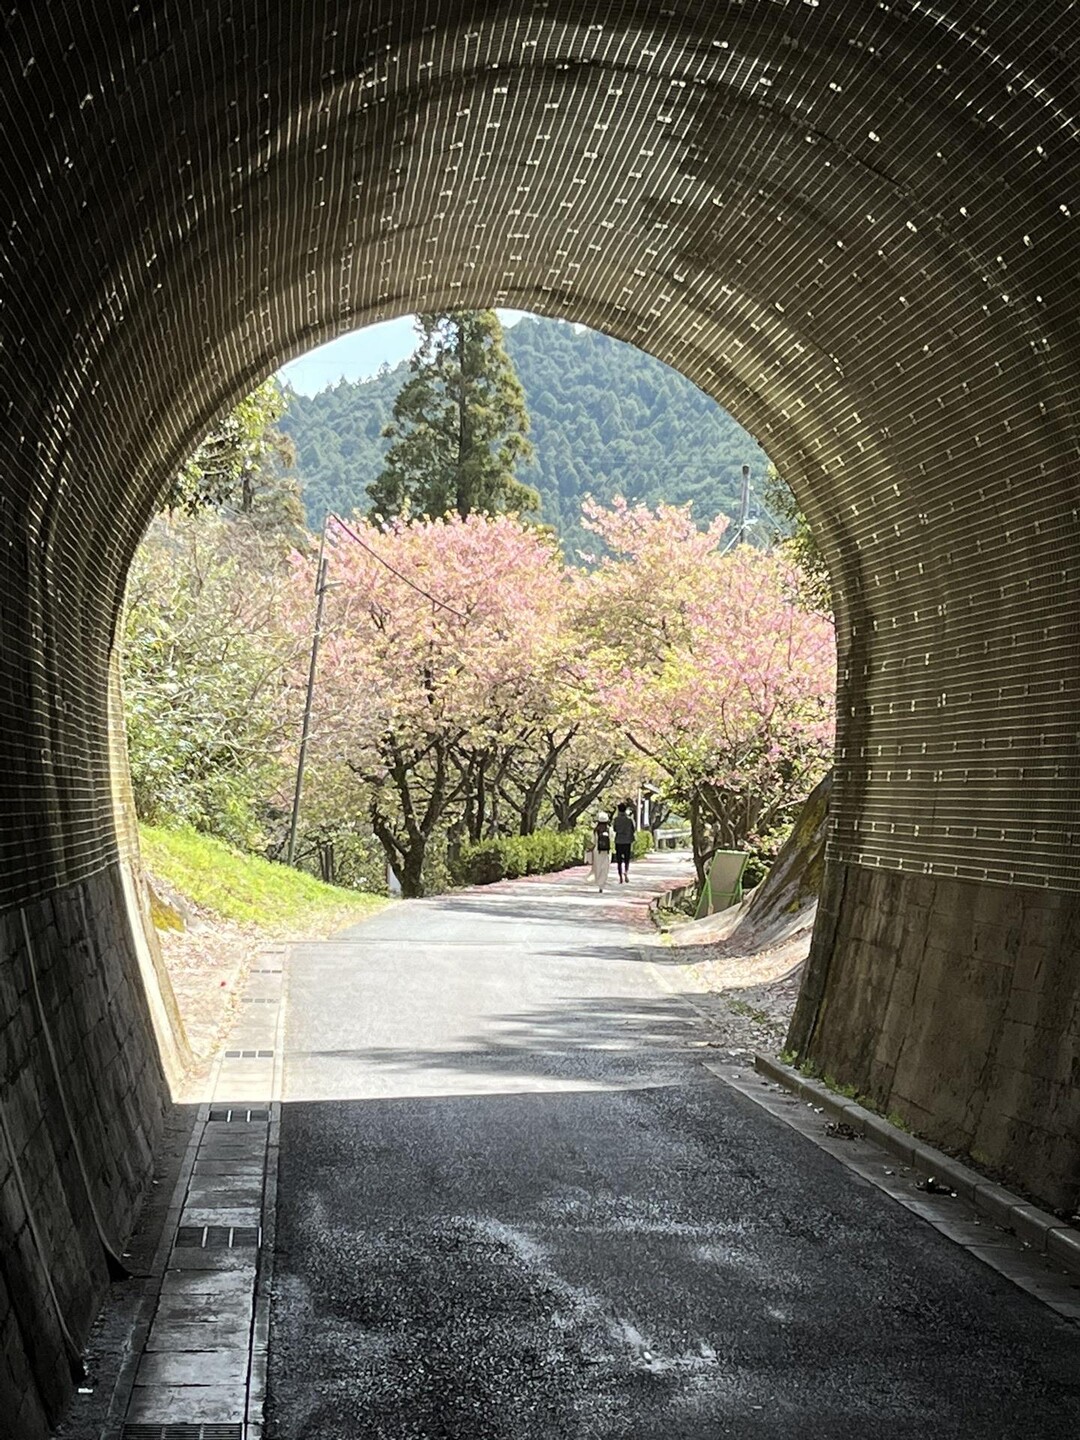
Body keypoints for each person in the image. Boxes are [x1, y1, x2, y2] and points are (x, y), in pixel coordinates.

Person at [613, 801, 636, 883]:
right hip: (627, 841)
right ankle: (626, 871)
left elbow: (614, 829)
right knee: (627, 858)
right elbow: (633, 829)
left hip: (619, 840)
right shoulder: (629, 820)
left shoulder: (616, 819)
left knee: (619, 860)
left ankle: (620, 878)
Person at [591, 811, 613, 892]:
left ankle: (599, 883)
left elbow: (593, 841)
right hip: (606, 851)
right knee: (605, 868)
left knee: (598, 867)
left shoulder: (596, 830)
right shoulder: (609, 829)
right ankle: (602, 884)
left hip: (597, 850)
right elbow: (612, 839)